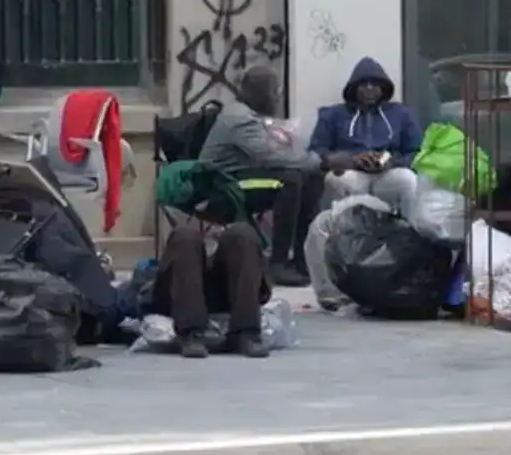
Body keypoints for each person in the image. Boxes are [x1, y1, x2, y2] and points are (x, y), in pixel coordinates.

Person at [161, 66, 354, 357]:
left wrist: (313, 162)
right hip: (222, 186)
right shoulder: (239, 118)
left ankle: (299, 261)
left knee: (306, 176)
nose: (277, 97)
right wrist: (322, 160)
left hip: (242, 177)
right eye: (272, 91)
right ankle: (278, 261)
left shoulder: (252, 117)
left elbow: (279, 154)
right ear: (253, 92)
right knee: (291, 179)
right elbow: (269, 155)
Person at [307, 56, 422, 211]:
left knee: (408, 180)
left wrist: (391, 162)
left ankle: (408, 231)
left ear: (384, 88)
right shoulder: (334, 115)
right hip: (351, 174)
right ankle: (340, 231)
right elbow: (316, 152)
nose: (369, 88)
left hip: (387, 174)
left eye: (375, 84)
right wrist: (348, 160)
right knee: (336, 180)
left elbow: (417, 153)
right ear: (353, 88)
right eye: (363, 84)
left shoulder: (401, 114)